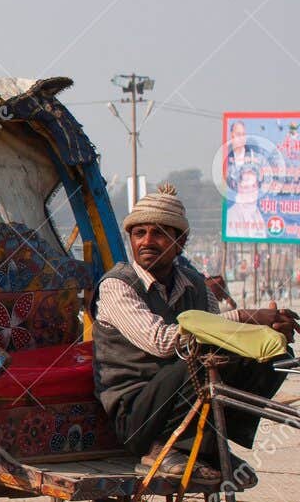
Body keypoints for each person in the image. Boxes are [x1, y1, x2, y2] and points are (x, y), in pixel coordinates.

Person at [93, 183, 295, 484]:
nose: (147, 241)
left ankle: (210, 445)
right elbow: (161, 342)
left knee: (273, 357)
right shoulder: (118, 285)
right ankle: (165, 448)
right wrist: (246, 317)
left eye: (159, 233)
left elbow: (223, 335)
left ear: (180, 242)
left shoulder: (195, 285)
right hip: (136, 415)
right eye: (139, 233)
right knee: (201, 361)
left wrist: (266, 333)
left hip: (186, 399)